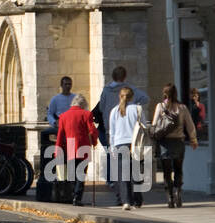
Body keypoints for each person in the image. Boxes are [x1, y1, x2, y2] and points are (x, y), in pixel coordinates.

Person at [93, 66, 149, 205]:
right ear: (124, 76)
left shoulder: (108, 96)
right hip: (134, 140)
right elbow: (145, 98)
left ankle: (122, 198)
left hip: (116, 137)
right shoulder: (131, 94)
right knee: (135, 171)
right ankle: (136, 198)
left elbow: (101, 108)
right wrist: (136, 103)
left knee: (120, 171)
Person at [148, 83, 197, 208]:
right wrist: (193, 139)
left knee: (167, 171)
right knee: (178, 169)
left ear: (165, 94)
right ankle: (178, 192)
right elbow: (190, 125)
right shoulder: (182, 108)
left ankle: (170, 197)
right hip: (179, 141)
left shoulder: (160, 106)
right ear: (176, 93)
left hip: (165, 143)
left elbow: (154, 125)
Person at [54, 93, 98, 206]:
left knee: (72, 174)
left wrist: (57, 149)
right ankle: (77, 197)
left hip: (70, 145)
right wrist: (94, 141)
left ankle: (74, 195)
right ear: (83, 104)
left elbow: (60, 135)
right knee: (81, 174)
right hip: (83, 145)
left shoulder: (63, 116)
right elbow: (92, 131)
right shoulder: (86, 114)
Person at [107, 86, 144, 211]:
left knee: (123, 175)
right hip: (135, 144)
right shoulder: (137, 109)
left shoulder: (114, 111)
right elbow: (143, 126)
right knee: (136, 173)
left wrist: (112, 148)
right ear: (132, 96)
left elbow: (112, 132)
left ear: (120, 96)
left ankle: (126, 201)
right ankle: (137, 200)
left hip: (119, 144)